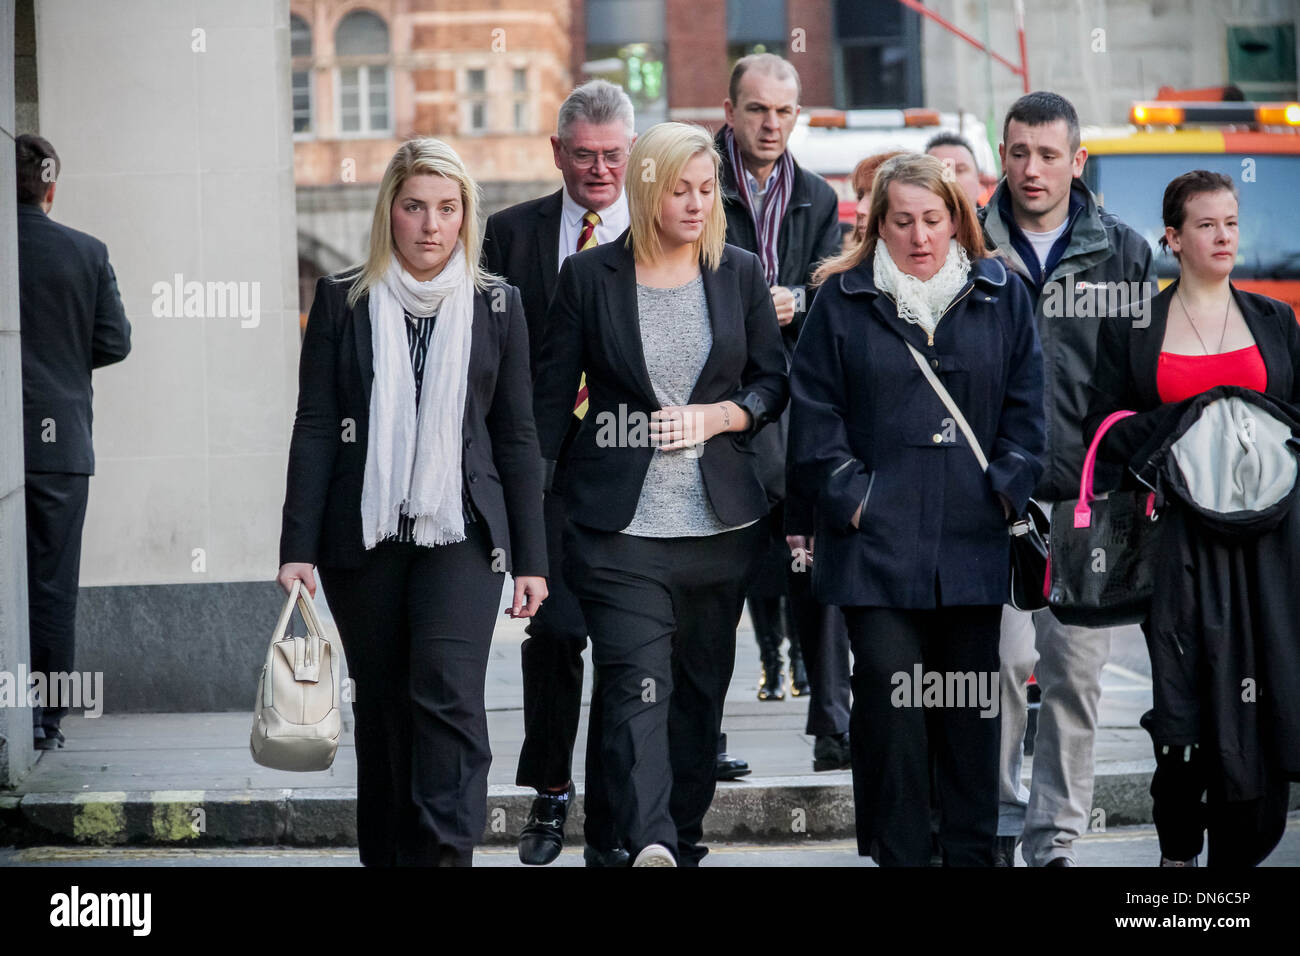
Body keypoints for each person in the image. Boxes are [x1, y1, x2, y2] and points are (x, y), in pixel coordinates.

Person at [277, 138, 548, 867]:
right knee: (387, 702)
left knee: (448, 690)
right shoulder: (343, 299)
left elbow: (516, 435)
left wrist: (531, 559)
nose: (431, 225)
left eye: (447, 208)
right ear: (389, 213)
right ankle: (392, 854)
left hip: (462, 530)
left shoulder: (498, 303)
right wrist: (296, 546)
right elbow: (314, 424)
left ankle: (447, 850)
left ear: (466, 217)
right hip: (361, 537)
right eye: (414, 207)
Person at [532, 121, 787, 866]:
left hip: (720, 526)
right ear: (646, 188)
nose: (697, 203)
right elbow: (547, 411)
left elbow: (773, 383)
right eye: (680, 189)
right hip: (618, 528)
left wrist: (720, 415)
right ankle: (651, 844)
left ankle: (660, 835)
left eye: (708, 190)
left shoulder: (738, 272)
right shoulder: (588, 278)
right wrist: (530, 533)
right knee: (636, 685)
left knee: (698, 699)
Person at [790, 153, 1045, 866]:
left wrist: (1006, 485)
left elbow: (1030, 415)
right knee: (891, 707)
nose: (920, 235)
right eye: (902, 221)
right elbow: (814, 418)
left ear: (958, 220)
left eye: (933, 219)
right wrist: (855, 498)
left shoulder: (1005, 294)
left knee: (967, 710)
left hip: (972, 539)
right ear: (877, 225)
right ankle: (902, 853)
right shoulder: (842, 299)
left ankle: (967, 849)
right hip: (874, 547)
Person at [1084, 170, 1300, 867]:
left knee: (1268, 689)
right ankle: (1179, 851)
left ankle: (1238, 859)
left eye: (1232, 222)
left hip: (1269, 545)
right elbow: (1106, 427)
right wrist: (1184, 421)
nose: (1224, 236)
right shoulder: (1138, 326)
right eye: (1207, 225)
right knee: (1183, 703)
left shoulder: (1274, 319)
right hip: (1176, 545)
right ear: (1173, 238)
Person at [979, 91, 1157, 867]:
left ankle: (1053, 841)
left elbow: (1141, 384)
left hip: (1089, 505)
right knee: (994, 676)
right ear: (1002, 155)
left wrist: (1125, 485)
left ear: (1077, 161)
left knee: (1074, 682)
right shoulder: (970, 244)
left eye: (1049, 154)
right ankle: (997, 820)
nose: (1031, 168)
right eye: (1018, 152)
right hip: (993, 504)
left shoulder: (1123, 253)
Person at [483, 79, 634, 868]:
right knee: (555, 634)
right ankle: (550, 792)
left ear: (631, 153)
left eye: (613, 155)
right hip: (545, 474)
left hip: (637, 471)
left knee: (627, 645)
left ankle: (615, 809)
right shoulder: (510, 235)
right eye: (584, 156)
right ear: (559, 154)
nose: (600, 170)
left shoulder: (663, 230)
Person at [715, 53, 840, 736]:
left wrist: (801, 299)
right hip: (713, 399)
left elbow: (834, 289)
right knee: (714, 581)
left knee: (813, 566)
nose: (770, 124)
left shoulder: (817, 197)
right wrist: (746, 308)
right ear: (729, 112)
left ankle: (830, 723)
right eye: (756, 109)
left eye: (783, 111)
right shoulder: (695, 179)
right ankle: (706, 736)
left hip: (793, 401)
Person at [788, 149, 905, 771]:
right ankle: (833, 722)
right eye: (865, 195)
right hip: (841, 479)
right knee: (825, 599)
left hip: (906, 482)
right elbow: (814, 399)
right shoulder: (837, 281)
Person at [16, 134, 132, 751]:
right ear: (51, 189)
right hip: (59, 447)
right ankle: (45, 719)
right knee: (52, 585)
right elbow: (114, 342)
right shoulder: (85, 252)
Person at [925, 131, 984, 209]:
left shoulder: (999, 220)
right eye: (938, 171)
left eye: (960, 170)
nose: (950, 179)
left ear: (978, 179)